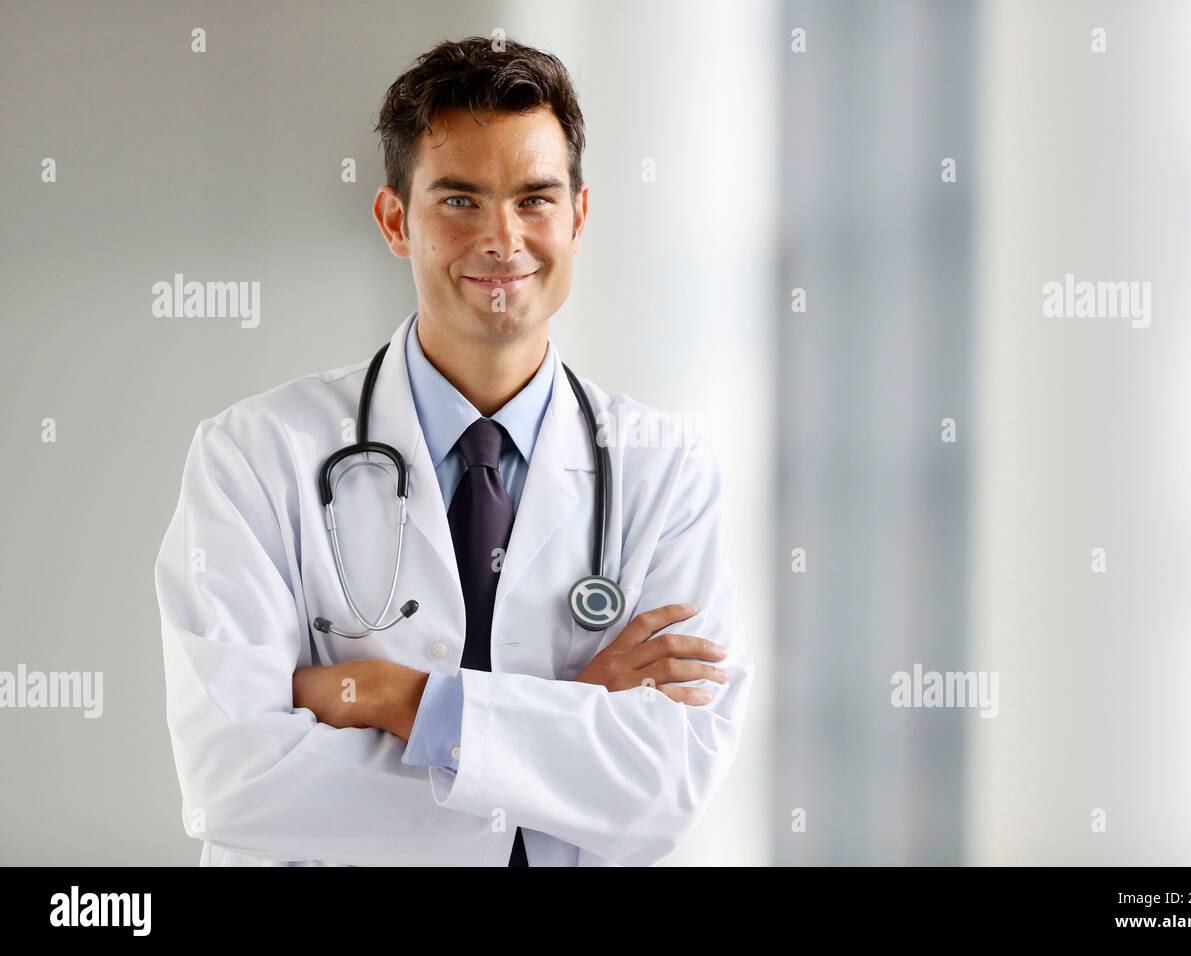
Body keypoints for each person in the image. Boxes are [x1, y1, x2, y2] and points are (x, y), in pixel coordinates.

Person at [155, 36, 754, 867]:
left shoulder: (666, 470)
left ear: (579, 217)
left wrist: (407, 701)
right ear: (396, 220)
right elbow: (237, 781)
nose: (503, 240)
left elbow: (666, 786)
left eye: (535, 200)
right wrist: (567, 723)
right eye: (460, 201)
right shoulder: (255, 457)